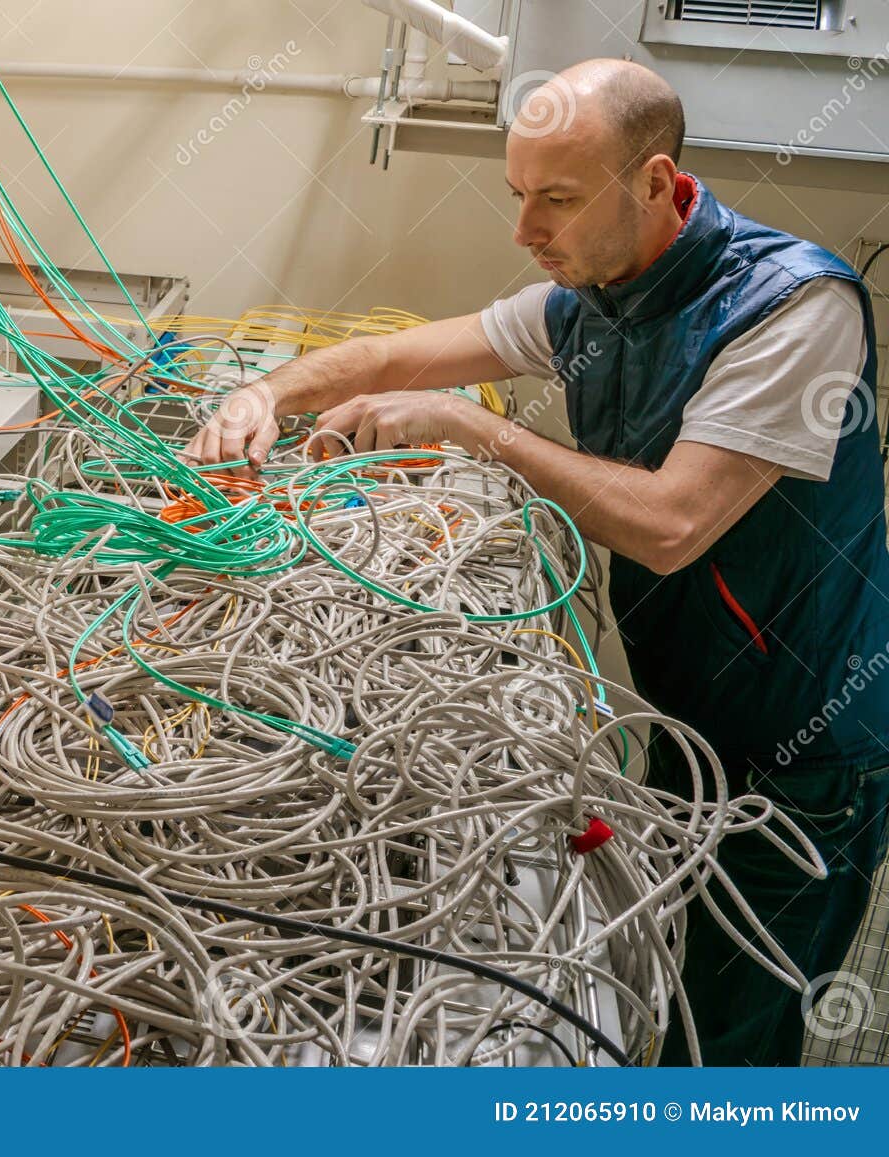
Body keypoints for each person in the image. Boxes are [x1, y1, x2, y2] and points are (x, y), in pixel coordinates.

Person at [182, 57, 889, 1065]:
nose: (524, 232)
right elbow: (399, 357)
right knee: (682, 980)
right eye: (519, 197)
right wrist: (267, 395)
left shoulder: (792, 309)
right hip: (697, 710)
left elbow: (671, 524)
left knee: (736, 1032)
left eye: (555, 200)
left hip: (812, 746)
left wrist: (475, 433)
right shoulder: (598, 294)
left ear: (655, 182)